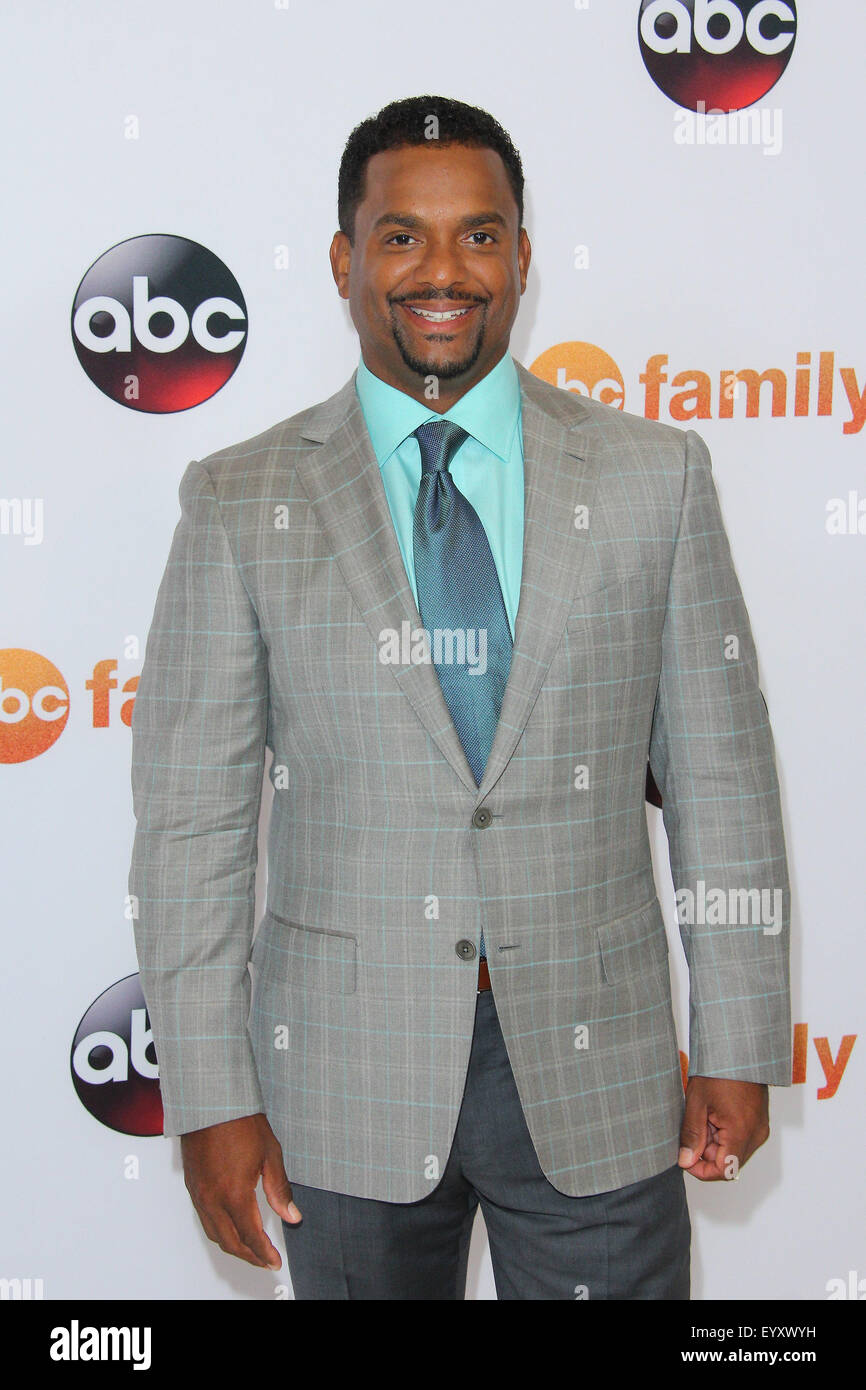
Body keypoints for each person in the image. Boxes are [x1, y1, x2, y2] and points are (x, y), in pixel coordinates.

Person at [128, 95, 791, 1300]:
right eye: (401, 237)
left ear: (523, 256)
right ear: (345, 258)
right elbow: (191, 829)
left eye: (480, 236)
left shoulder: (654, 479)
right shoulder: (238, 502)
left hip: (598, 1068)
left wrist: (740, 1039)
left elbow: (722, 783)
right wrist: (212, 1095)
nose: (444, 271)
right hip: (343, 1075)